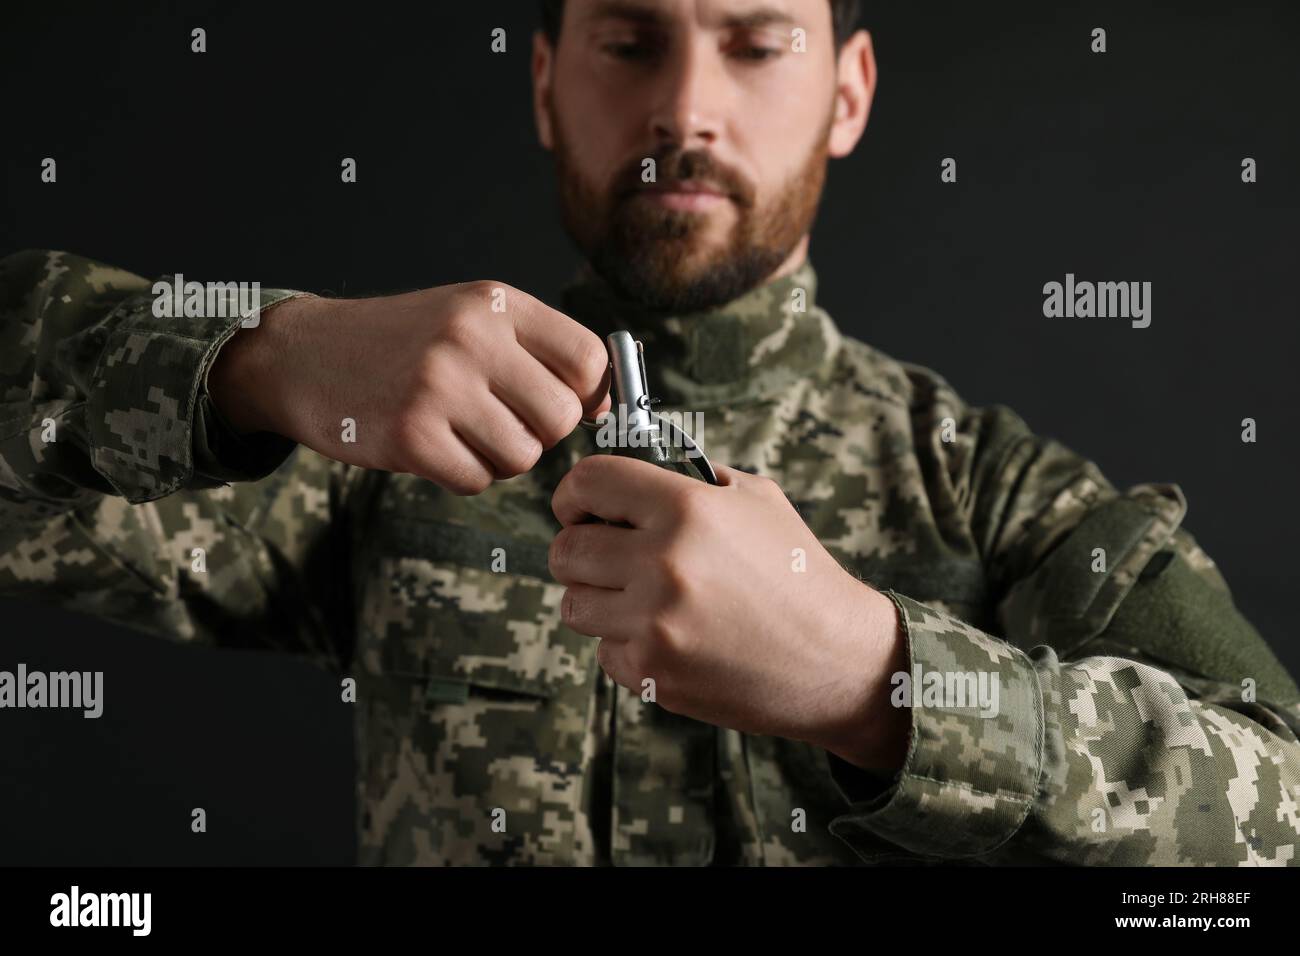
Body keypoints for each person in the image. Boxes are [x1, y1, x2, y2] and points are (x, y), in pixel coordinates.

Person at [2, 0, 1297, 865]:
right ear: (548, 88)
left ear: (847, 93)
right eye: (630, 41)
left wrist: (881, 680)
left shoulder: (993, 494)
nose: (686, 108)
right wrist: (253, 354)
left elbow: (1281, 809)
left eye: (754, 41)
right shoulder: (378, 452)